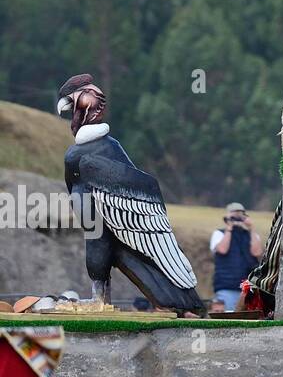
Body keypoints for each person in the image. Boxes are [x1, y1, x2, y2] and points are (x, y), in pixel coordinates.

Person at [57, 74, 205, 315]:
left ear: (92, 101)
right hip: (106, 240)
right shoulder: (77, 157)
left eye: (76, 95)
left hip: (128, 244)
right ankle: (100, 299)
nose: (67, 102)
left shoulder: (100, 157)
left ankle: (99, 298)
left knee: (100, 239)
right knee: (97, 237)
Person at [210, 202, 263, 312]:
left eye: (240, 215)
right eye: (234, 215)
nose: (237, 218)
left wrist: (251, 229)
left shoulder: (251, 235)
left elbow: (257, 253)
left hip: (248, 288)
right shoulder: (219, 233)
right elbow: (222, 250)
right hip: (226, 286)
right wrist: (229, 228)